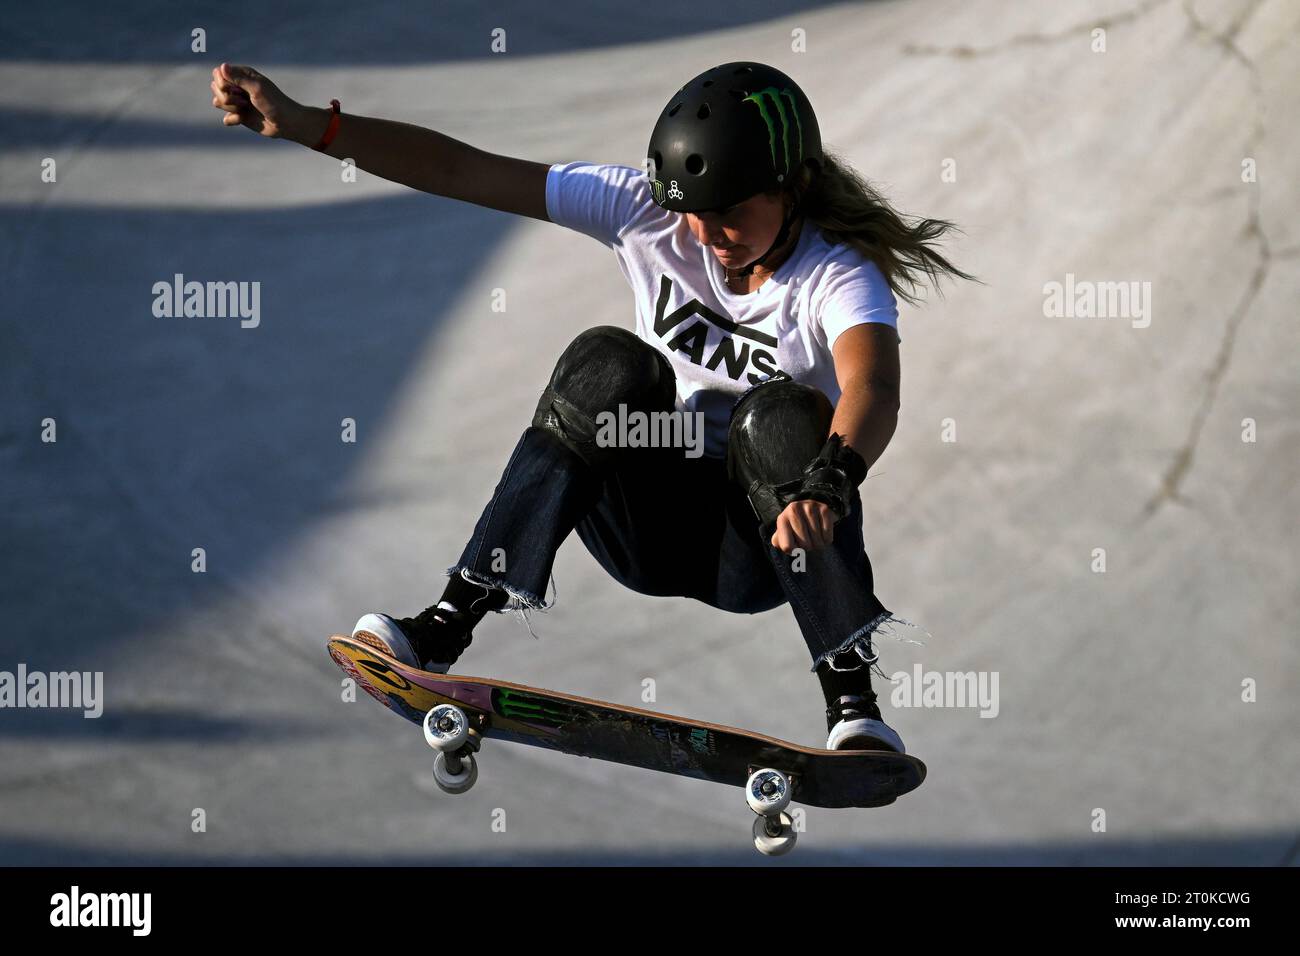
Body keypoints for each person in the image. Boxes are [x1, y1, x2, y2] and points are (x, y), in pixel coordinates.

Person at [211, 59, 973, 752]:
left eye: (730, 214)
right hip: (642, 524)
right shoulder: (641, 210)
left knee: (778, 415)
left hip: (759, 545)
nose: (709, 236)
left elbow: (872, 386)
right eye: (693, 213)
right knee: (611, 359)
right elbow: (459, 167)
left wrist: (830, 481)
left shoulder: (836, 276)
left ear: (792, 186)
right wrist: (313, 126)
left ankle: (854, 709)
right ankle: (443, 627)